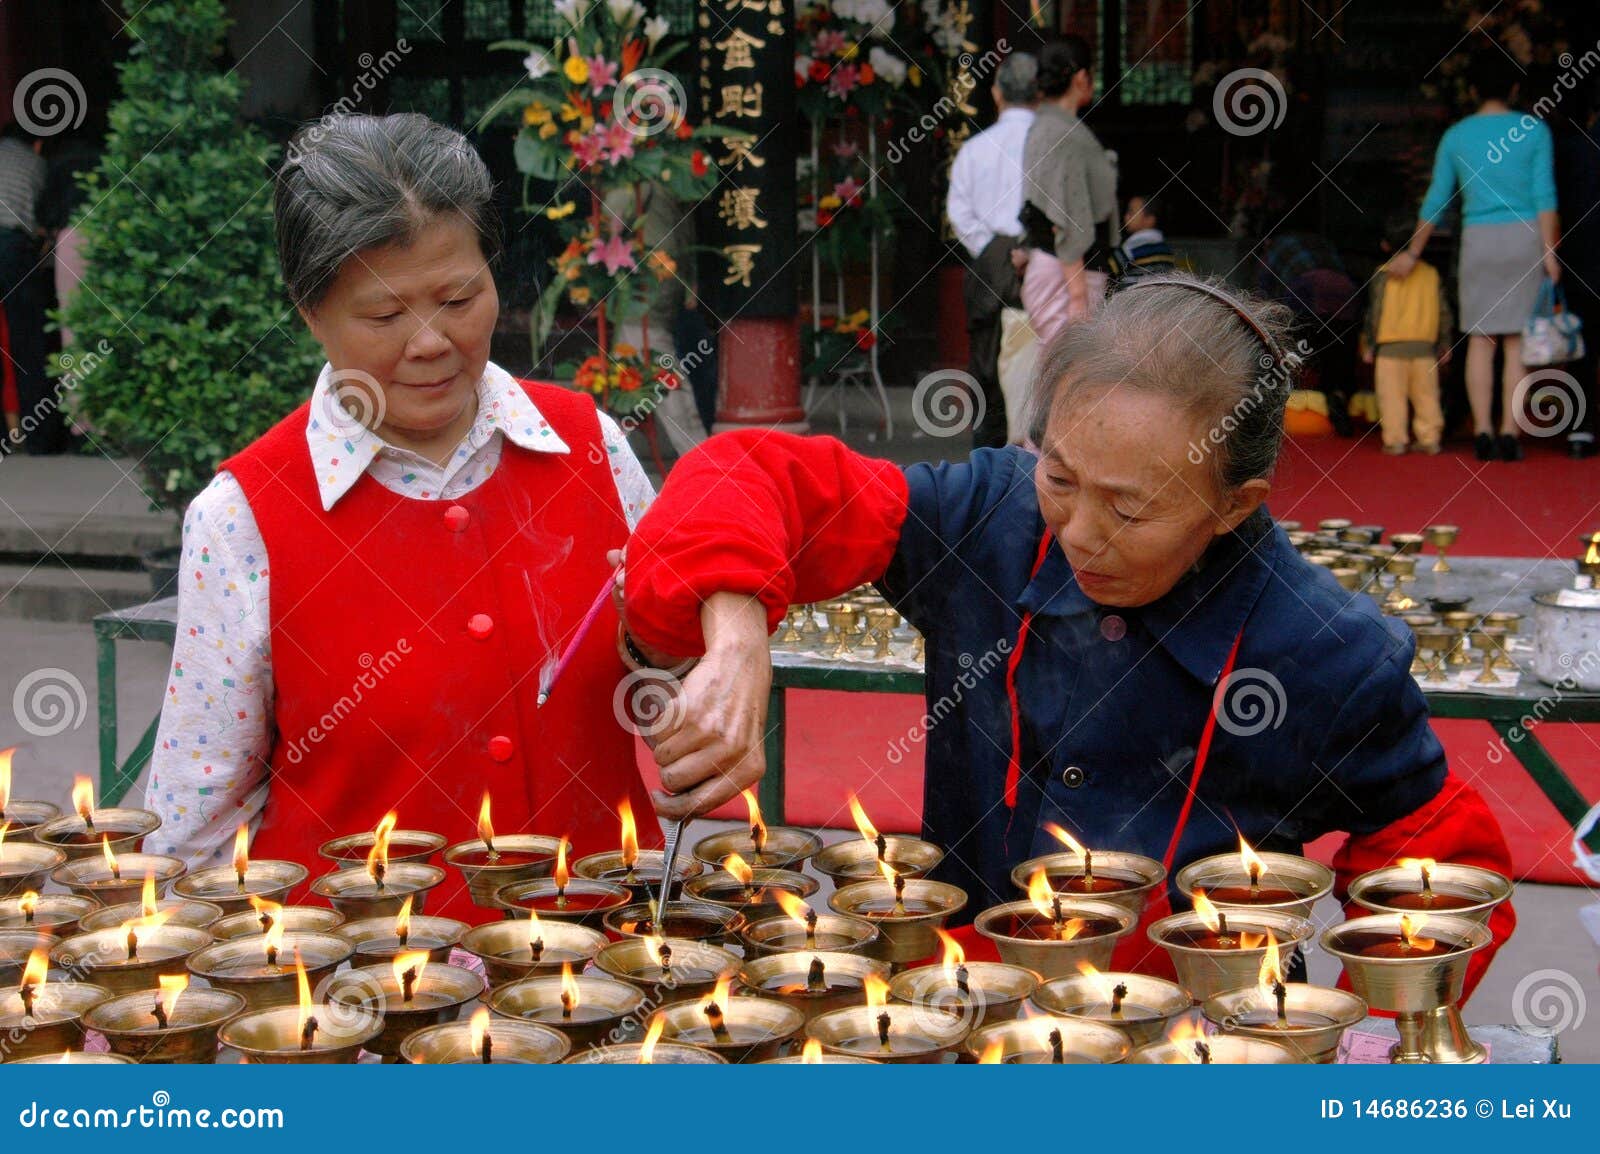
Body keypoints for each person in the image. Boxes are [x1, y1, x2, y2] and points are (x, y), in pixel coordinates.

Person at [618, 272, 1514, 995]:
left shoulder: (1329, 650)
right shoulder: (987, 517)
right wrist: (737, 634)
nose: (1080, 531)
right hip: (957, 1018)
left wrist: (1364, 1020)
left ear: (1234, 505)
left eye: (1132, 508)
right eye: (1062, 476)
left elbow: (1442, 879)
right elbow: (745, 476)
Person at [145, 114, 661, 922]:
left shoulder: (589, 447)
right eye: (384, 318)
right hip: (359, 1007)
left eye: (459, 297)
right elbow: (196, 824)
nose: (431, 342)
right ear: (310, 312)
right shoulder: (245, 517)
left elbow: (674, 661)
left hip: (603, 973)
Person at [1391, 52, 1560, 462]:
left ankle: (1482, 430)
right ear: (1515, 89)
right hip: (1524, 240)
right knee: (1517, 343)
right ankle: (1509, 433)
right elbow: (1545, 198)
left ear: (1471, 91)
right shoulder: (1534, 131)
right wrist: (1552, 255)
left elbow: (1436, 200)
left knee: (1481, 342)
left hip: (1479, 242)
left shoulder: (1457, 135)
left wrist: (1413, 251)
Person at [946, 50, 1038, 449]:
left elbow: (959, 212)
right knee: (1044, 361)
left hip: (988, 265)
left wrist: (991, 251)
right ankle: (1041, 458)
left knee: (986, 365)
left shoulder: (975, 148)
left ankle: (988, 459)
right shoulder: (1059, 144)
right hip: (1044, 261)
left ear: (997, 94)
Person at [1015, 35, 1118, 348]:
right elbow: (1066, 218)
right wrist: (1077, 298)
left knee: (1064, 381)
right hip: (1069, 276)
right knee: (1070, 382)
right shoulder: (1062, 133)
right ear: (1081, 78)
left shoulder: (1047, 126)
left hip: (1057, 270)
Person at [1361, 213, 1453, 455]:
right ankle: (1429, 438)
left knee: (1391, 397)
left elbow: (1375, 312)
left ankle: (1395, 440)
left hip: (1390, 349)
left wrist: (1370, 343)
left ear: (1385, 244)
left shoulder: (1381, 274)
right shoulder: (1431, 274)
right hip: (1424, 349)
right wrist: (1445, 342)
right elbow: (1443, 312)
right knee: (1427, 396)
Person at [0, 120, 60, 455]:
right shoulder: (36, 163)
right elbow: (41, 219)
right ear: (36, 142)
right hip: (12, 246)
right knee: (29, 344)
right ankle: (40, 439)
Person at [1108, 194, 1177, 280]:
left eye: (1131, 212)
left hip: (1134, 292)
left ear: (1149, 220)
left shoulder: (1131, 246)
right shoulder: (1167, 249)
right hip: (1160, 292)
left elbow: (1109, 270)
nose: (1126, 217)